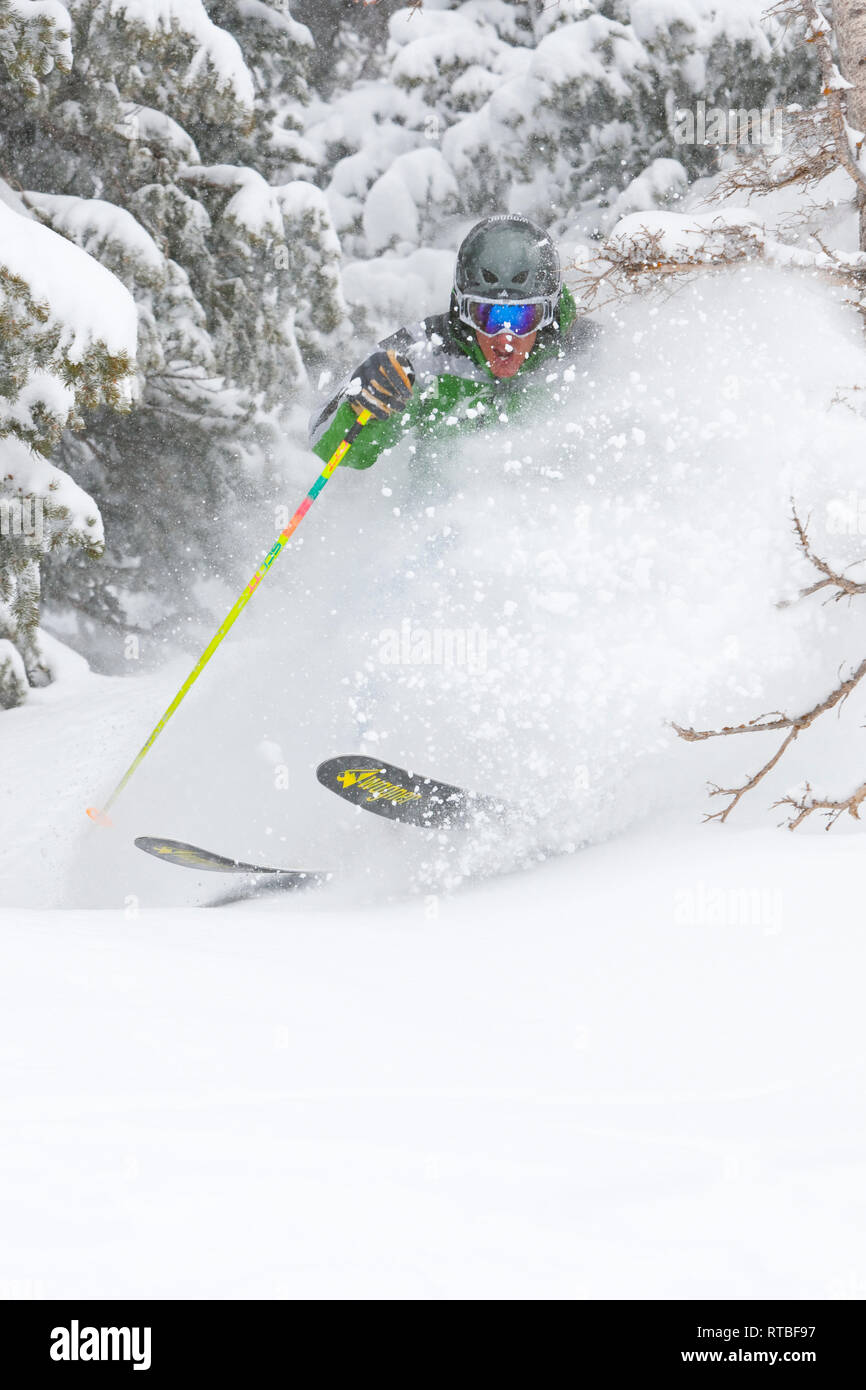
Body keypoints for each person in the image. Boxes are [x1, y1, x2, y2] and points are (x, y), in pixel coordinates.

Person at [309, 214, 596, 474]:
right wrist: (358, 406)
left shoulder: (585, 354)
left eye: (523, 318)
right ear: (463, 309)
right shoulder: (422, 354)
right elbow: (323, 441)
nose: (505, 340)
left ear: (548, 314)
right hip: (439, 522)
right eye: (486, 315)